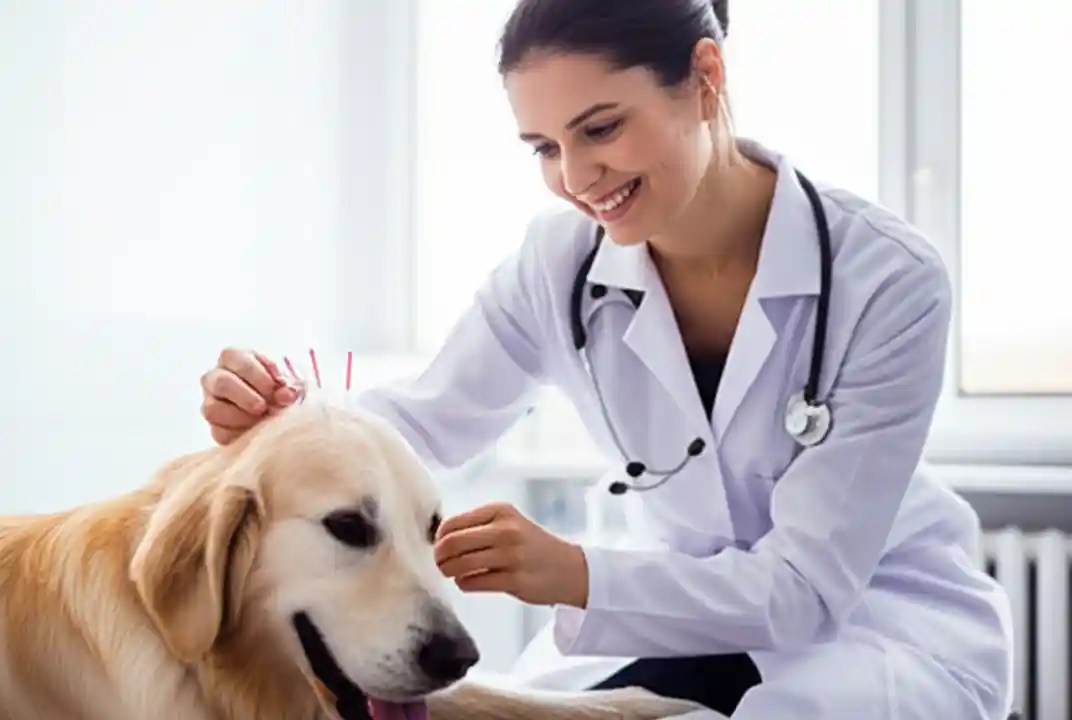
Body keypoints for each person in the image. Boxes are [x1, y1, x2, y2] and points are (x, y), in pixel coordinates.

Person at [199, 1, 1013, 717]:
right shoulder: (559, 267)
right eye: (543, 147)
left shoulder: (886, 281)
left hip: (876, 629)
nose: (576, 178)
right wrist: (289, 416)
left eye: (600, 128)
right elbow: (420, 422)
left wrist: (574, 573)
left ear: (705, 74)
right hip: (666, 619)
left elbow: (804, 591)